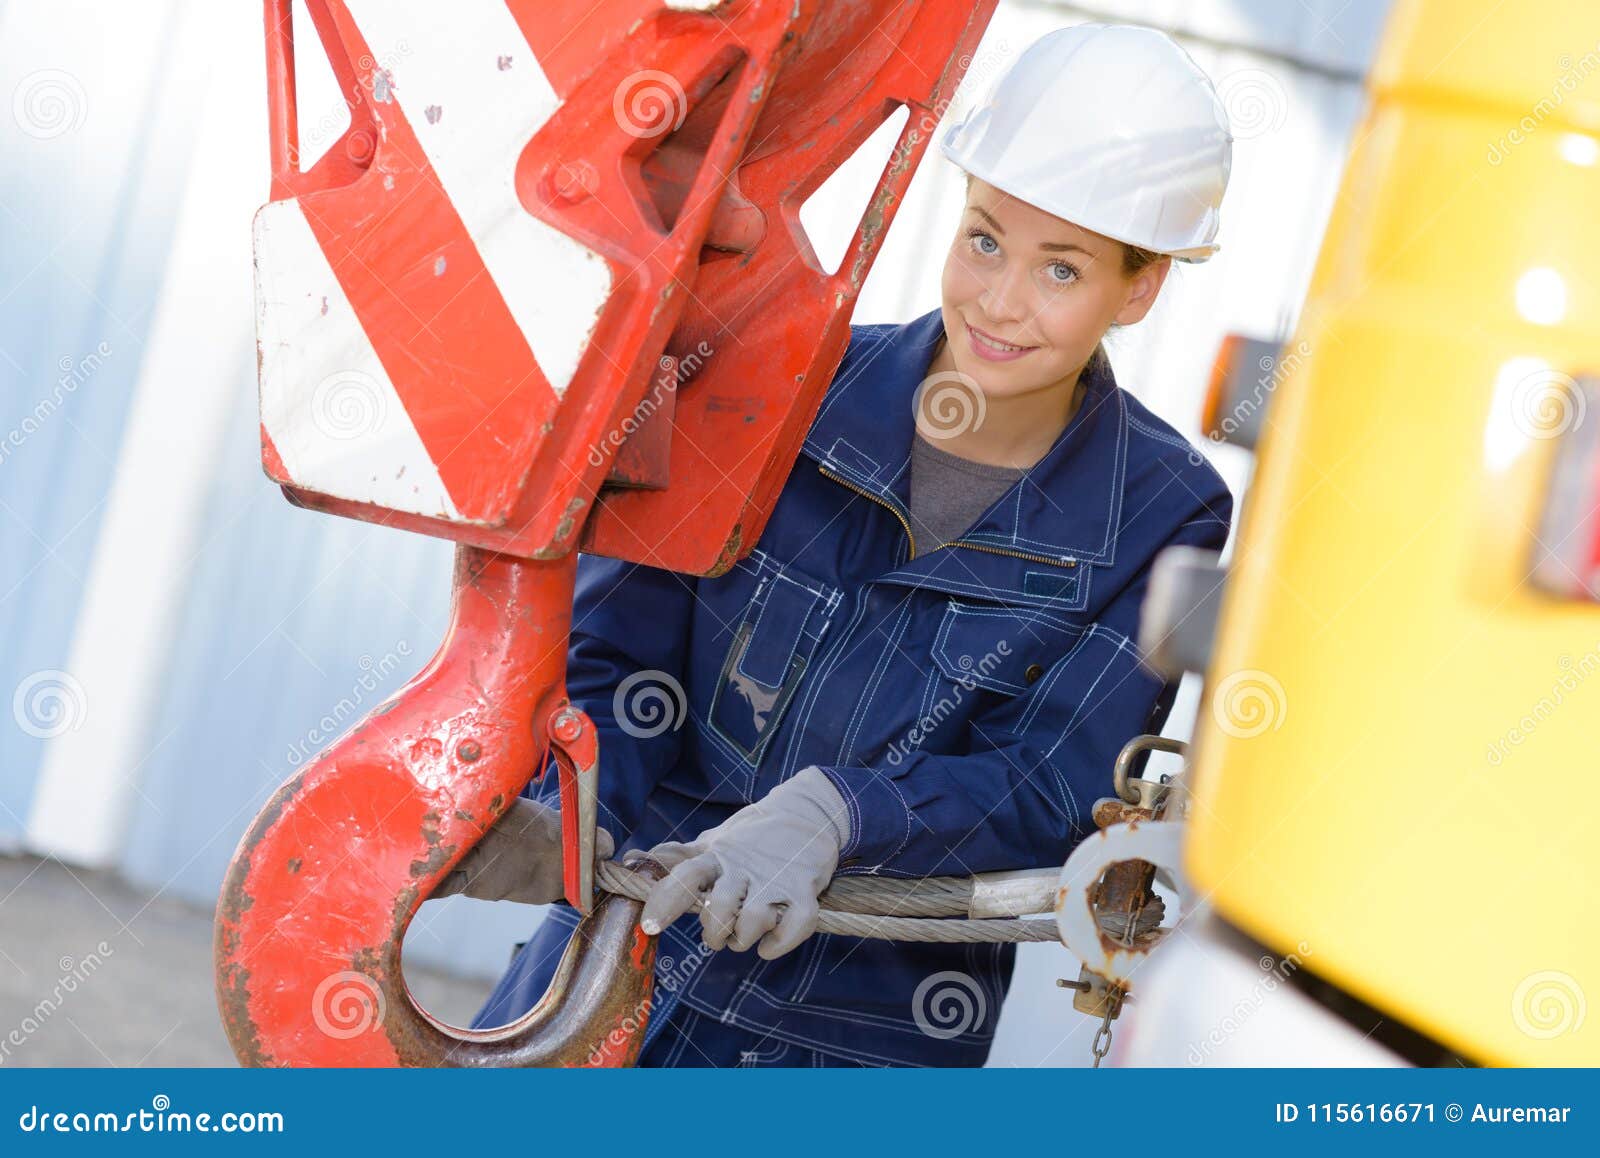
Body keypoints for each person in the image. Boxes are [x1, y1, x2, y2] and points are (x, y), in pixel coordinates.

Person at [437, 22, 1235, 1067]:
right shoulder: (784, 387)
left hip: (855, 1043)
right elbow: (618, 651)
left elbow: (1054, 786)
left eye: (1061, 269)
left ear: (1138, 289)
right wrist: (574, 808)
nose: (998, 300)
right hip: (604, 980)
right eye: (985, 238)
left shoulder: (1158, 511)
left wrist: (838, 813)